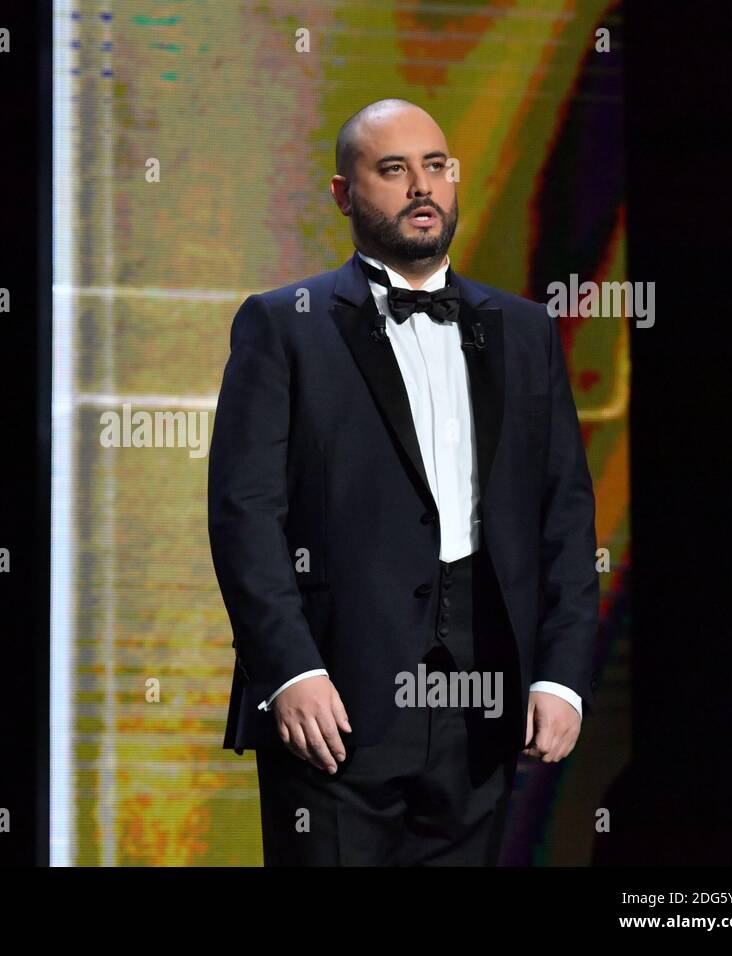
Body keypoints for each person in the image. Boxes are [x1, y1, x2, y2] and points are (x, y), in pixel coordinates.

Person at [207, 98, 599, 866]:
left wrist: (563, 677)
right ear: (343, 194)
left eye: (436, 166)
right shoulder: (285, 323)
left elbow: (565, 517)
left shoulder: (522, 331)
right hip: (334, 708)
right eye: (393, 169)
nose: (423, 186)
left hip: (485, 713)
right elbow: (244, 513)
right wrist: (290, 669)